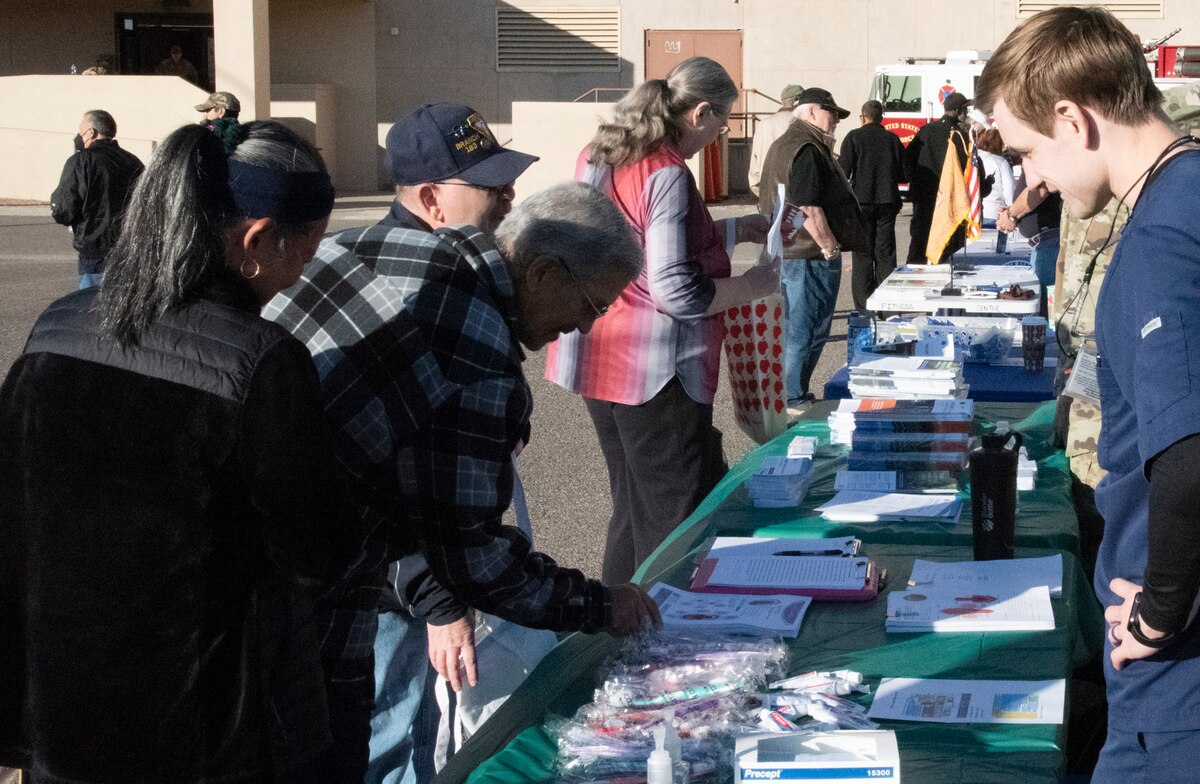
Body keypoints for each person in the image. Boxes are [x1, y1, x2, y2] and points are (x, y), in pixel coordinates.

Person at [265, 175, 662, 781]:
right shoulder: (479, 358)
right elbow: (471, 561)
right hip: (298, 581)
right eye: (591, 306)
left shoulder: (384, 244)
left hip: (211, 545)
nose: (585, 327)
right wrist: (598, 605)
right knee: (338, 749)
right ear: (543, 273)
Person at [1, 121, 362, 782]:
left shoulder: (56, 325)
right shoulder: (261, 363)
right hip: (198, 727)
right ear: (255, 242)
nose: (298, 278)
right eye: (304, 256)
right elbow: (316, 552)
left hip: (60, 708)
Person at [976, 7, 1200, 780]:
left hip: (1177, 679)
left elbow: (1189, 453)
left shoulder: (1160, 242)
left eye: (1029, 150)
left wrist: (1163, 610)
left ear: (1073, 118)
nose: (1029, 176)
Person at [353, 102, 541, 784]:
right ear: (432, 199)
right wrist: (439, 600)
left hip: (384, 575)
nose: (507, 199)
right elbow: (392, 478)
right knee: (393, 734)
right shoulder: (428, 286)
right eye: (490, 188)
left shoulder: (376, 253)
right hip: (391, 581)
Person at [545, 56, 776, 585]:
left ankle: (616, 631)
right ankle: (659, 639)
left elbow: (638, 245)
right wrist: (753, 287)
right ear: (699, 113)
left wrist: (739, 228)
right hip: (653, 370)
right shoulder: (667, 170)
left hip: (597, 353)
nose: (720, 135)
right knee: (675, 517)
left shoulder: (602, 153)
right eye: (722, 124)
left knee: (631, 507)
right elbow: (677, 290)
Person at [758, 86, 865, 412]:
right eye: (832, 113)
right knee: (807, 329)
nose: (835, 121)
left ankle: (790, 394)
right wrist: (830, 247)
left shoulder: (786, 143)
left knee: (796, 328)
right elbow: (808, 206)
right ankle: (792, 397)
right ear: (813, 111)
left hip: (790, 251)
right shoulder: (806, 147)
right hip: (807, 254)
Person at [50, 110, 144, 288]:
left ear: (91, 132)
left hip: (95, 250)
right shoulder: (133, 162)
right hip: (129, 249)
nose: (79, 136)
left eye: (81, 130)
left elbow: (64, 209)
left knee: (92, 308)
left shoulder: (81, 161)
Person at [839, 99, 904, 311]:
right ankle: (886, 304)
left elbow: (843, 172)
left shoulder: (854, 137)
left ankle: (864, 307)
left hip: (862, 202)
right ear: (882, 118)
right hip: (887, 201)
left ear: (862, 117)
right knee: (885, 253)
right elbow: (904, 174)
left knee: (863, 254)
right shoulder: (893, 139)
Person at [904, 91, 970, 263]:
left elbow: (907, 159)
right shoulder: (959, 136)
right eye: (965, 110)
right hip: (948, 198)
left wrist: (915, 182)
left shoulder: (926, 131)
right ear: (957, 111)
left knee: (920, 240)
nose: (967, 113)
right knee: (946, 243)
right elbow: (967, 168)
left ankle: (914, 276)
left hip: (924, 196)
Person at [748, 83, 803, 197]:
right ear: (797, 101)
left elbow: (755, 162)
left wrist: (759, 190)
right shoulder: (800, 124)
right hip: (795, 190)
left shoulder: (764, 124)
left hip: (768, 188)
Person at [976, 127, 1015, 226]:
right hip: (995, 213)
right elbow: (1010, 191)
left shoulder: (972, 158)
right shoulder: (1000, 162)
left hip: (974, 212)